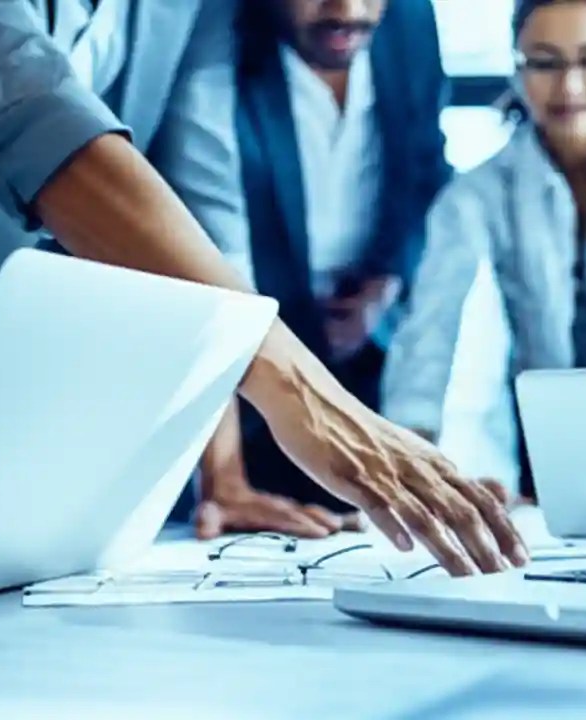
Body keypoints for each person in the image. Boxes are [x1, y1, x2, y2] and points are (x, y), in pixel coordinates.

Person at [0, 0, 526, 578]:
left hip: (12, 412)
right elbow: (34, 121)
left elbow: (200, 200)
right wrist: (302, 391)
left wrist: (225, 473)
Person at [382, 0, 586, 502]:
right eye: (545, 63)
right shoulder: (477, 193)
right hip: (527, 465)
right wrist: (412, 460)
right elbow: (431, 336)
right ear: (517, 68)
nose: (569, 87)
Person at [177, 0, 457, 539]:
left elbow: (424, 164)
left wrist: (386, 281)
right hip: (250, 374)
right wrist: (224, 476)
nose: (347, 10)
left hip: (373, 358)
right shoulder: (216, 54)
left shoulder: (410, 20)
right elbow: (212, 262)